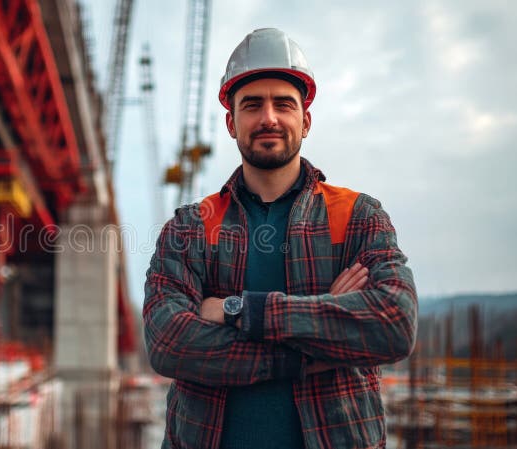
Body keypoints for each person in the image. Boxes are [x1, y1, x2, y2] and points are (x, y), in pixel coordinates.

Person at [144, 28, 417, 449]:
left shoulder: (357, 216)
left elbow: (393, 324)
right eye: (252, 105)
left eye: (283, 104)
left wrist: (242, 310)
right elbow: (168, 342)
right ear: (232, 122)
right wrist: (319, 341)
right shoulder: (191, 227)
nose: (268, 117)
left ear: (304, 121)